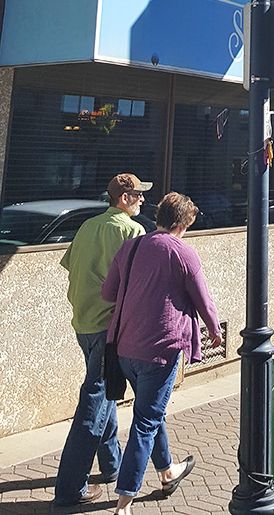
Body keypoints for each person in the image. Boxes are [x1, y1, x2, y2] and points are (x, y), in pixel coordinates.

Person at [101, 192, 223, 515]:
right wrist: (215, 330)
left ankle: (168, 471)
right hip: (160, 351)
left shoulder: (132, 246)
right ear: (182, 224)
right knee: (145, 423)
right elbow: (203, 301)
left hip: (124, 349)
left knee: (149, 413)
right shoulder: (184, 253)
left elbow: (108, 292)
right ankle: (124, 503)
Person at [54, 173, 152, 508]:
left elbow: (71, 266)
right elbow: (139, 285)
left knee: (106, 391)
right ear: (124, 198)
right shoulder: (131, 231)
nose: (142, 199)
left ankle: (111, 465)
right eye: (138, 195)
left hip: (83, 322)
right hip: (108, 328)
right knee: (93, 404)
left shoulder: (88, 226)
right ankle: (69, 490)